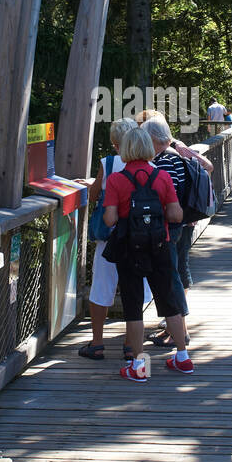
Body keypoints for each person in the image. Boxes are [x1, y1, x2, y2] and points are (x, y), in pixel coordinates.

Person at [102, 126, 193, 380]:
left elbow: (109, 220)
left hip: (129, 249)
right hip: (160, 245)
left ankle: (139, 367)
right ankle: (183, 358)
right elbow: (176, 215)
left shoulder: (116, 180)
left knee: (133, 307)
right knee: (169, 302)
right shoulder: (162, 176)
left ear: (126, 148)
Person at [137, 110, 212, 347]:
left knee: (171, 278)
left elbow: (167, 196)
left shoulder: (166, 160)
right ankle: (173, 330)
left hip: (171, 227)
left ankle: (180, 332)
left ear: (153, 138)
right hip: (180, 224)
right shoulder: (174, 156)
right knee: (174, 275)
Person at [79, 117, 151, 361]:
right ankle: (130, 345)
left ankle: (97, 343)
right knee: (134, 289)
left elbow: (96, 192)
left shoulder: (108, 163)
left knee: (101, 286)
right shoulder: (148, 164)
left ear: (115, 142)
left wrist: (92, 186)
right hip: (139, 237)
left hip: (110, 239)